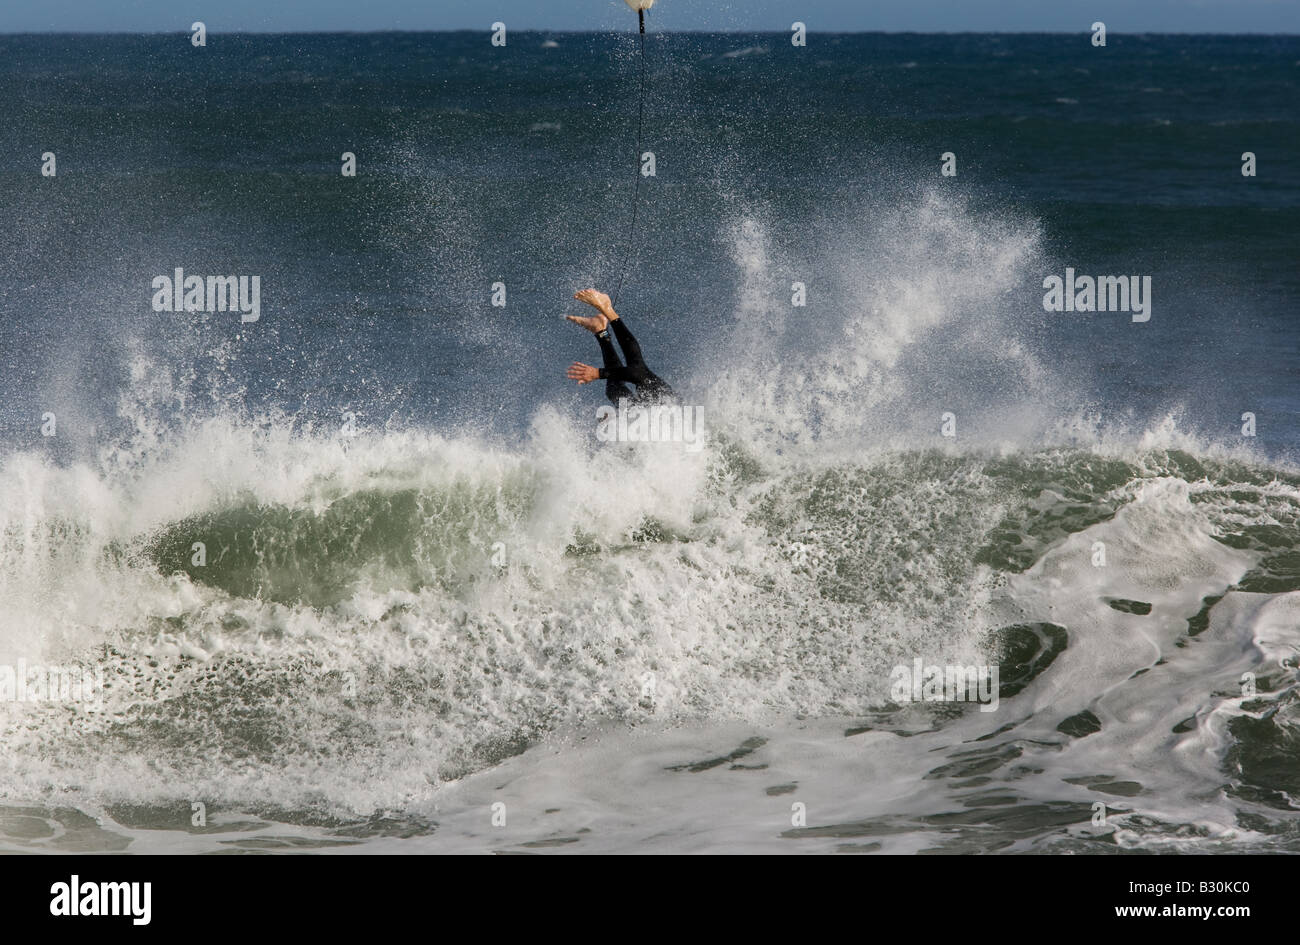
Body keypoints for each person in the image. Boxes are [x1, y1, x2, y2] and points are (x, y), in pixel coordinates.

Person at [565, 289, 676, 404]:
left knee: (614, 390)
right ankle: (607, 309)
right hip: (668, 406)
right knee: (641, 375)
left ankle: (600, 331)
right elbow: (637, 373)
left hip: (650, 415)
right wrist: (598, 373)